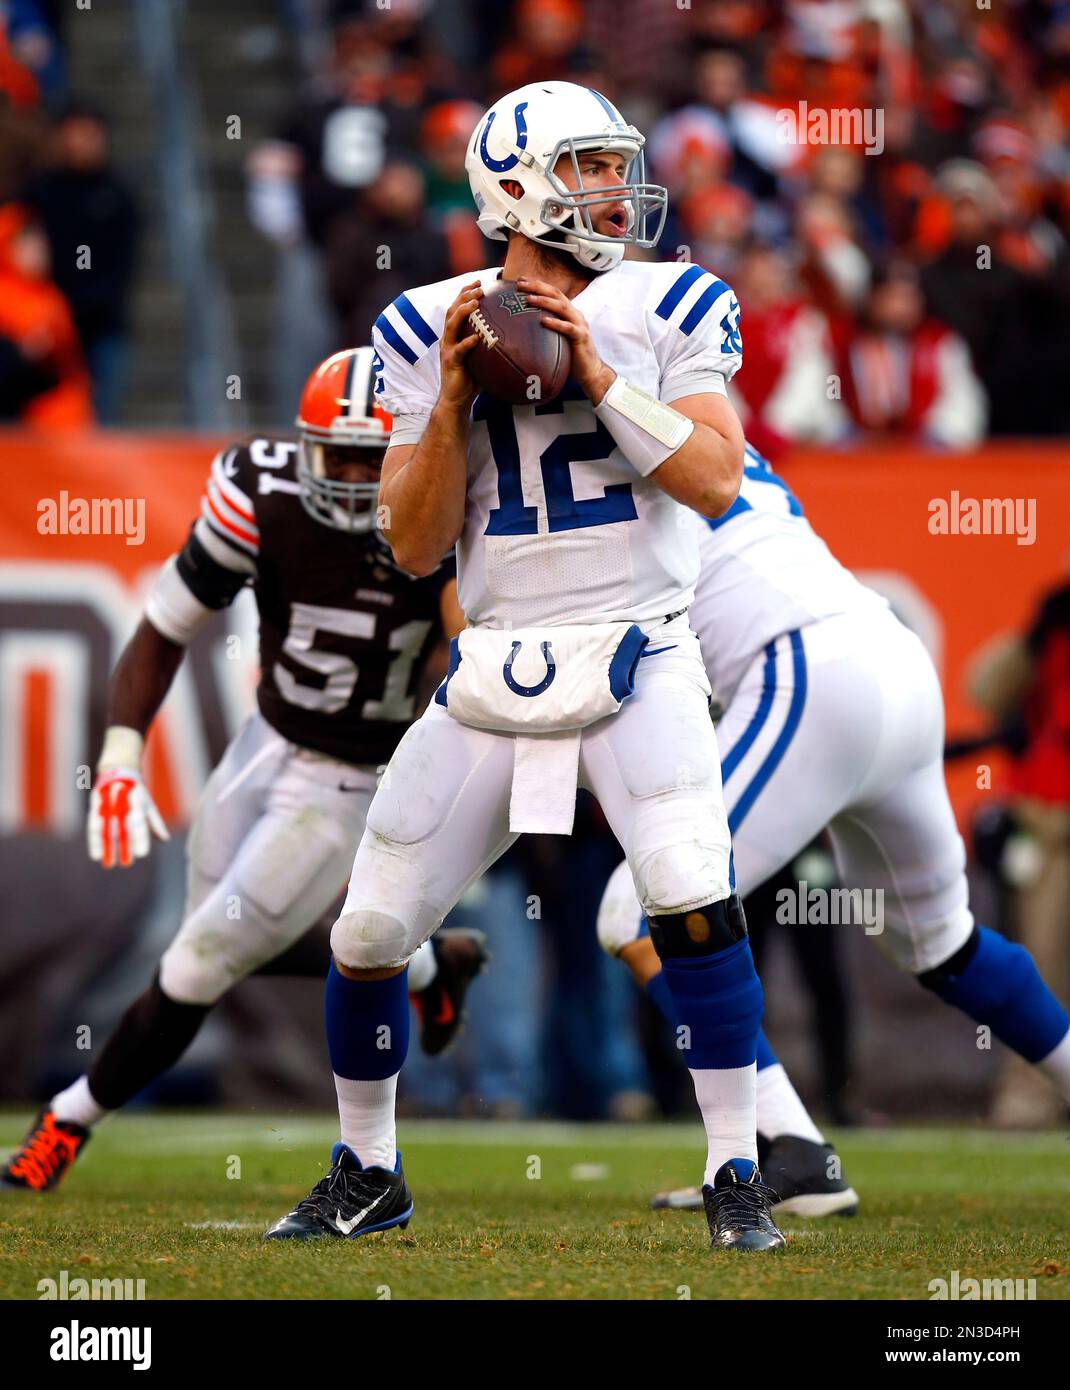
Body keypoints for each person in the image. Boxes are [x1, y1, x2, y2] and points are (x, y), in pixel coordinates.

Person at [265, 82, 786, 1253]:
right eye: (588, 167)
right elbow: (407, 543)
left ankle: (735, 1169)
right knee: (367, 931)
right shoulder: (424, 322)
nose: (613, 187)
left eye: (614, 165)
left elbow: (711, 479)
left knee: (692, 895)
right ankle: (367, 1168)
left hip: (640, 647)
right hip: (494, 663)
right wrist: (450, 398)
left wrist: (602, 379)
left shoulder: (672, 302)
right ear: (514, 183)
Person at [1, 348, 485, 1193]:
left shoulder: (441, 516)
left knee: (198, 961)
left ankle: (66, 1123)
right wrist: (120, 758)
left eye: (370, 461)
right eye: (332, 455)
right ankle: (427, 966)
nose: (346, 478)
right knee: (221, 942)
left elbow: (467, 649)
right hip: (262, 744)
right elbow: (165, 623)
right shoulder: (264, 496)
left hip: (351, 777)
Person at [596, 442, 1070, 1210]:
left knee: (637, 910)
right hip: (892, 660)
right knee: (937, 940)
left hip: (807, 671)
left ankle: (793, 1147)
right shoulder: (700, 423)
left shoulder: (589, 443)